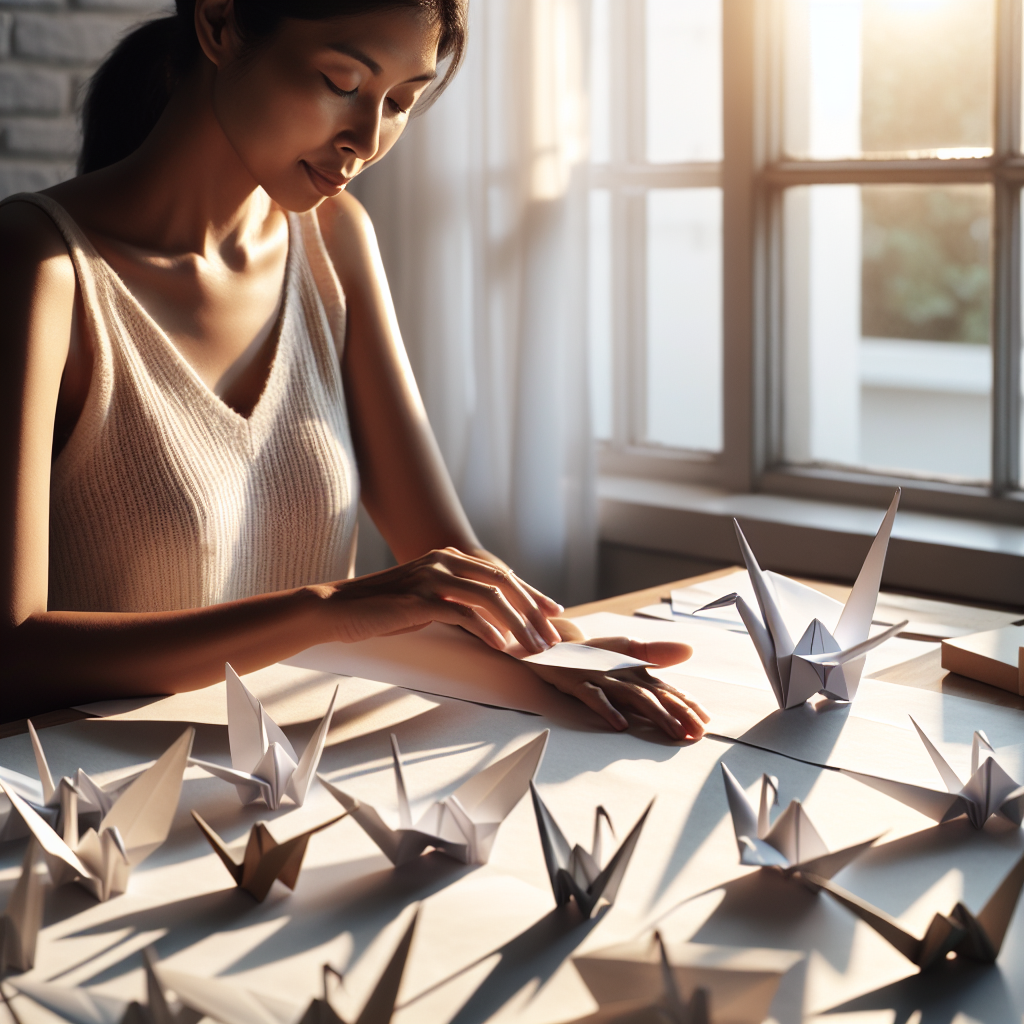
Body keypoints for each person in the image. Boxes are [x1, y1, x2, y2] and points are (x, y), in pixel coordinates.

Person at [0, 0, 709, 739]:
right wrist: (328, 610)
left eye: (402, 102)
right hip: (88, 812)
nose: (367, 140)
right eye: (342, 82)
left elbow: (448, 561)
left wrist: (570, 653)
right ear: (219, 25)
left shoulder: (335, 242)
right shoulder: (40, 267)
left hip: (288, 781)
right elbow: (10, 654)